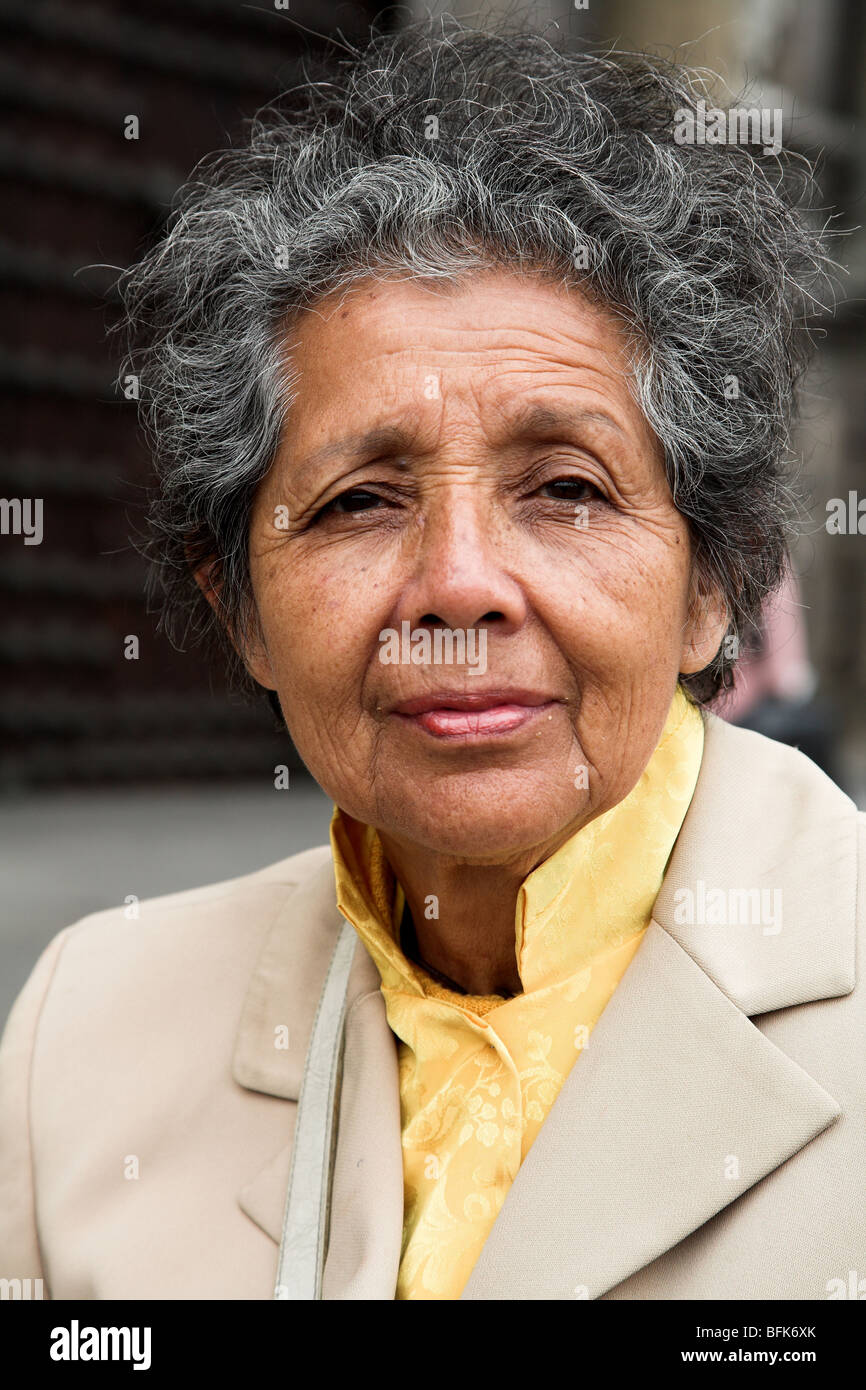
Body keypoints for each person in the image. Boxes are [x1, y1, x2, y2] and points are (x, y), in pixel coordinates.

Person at [1, 17, 862, 1301]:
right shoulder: (87, 1031)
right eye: (358, 501)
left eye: (565, 488)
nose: (458, 584)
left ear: (710, 587)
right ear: (239, 610)